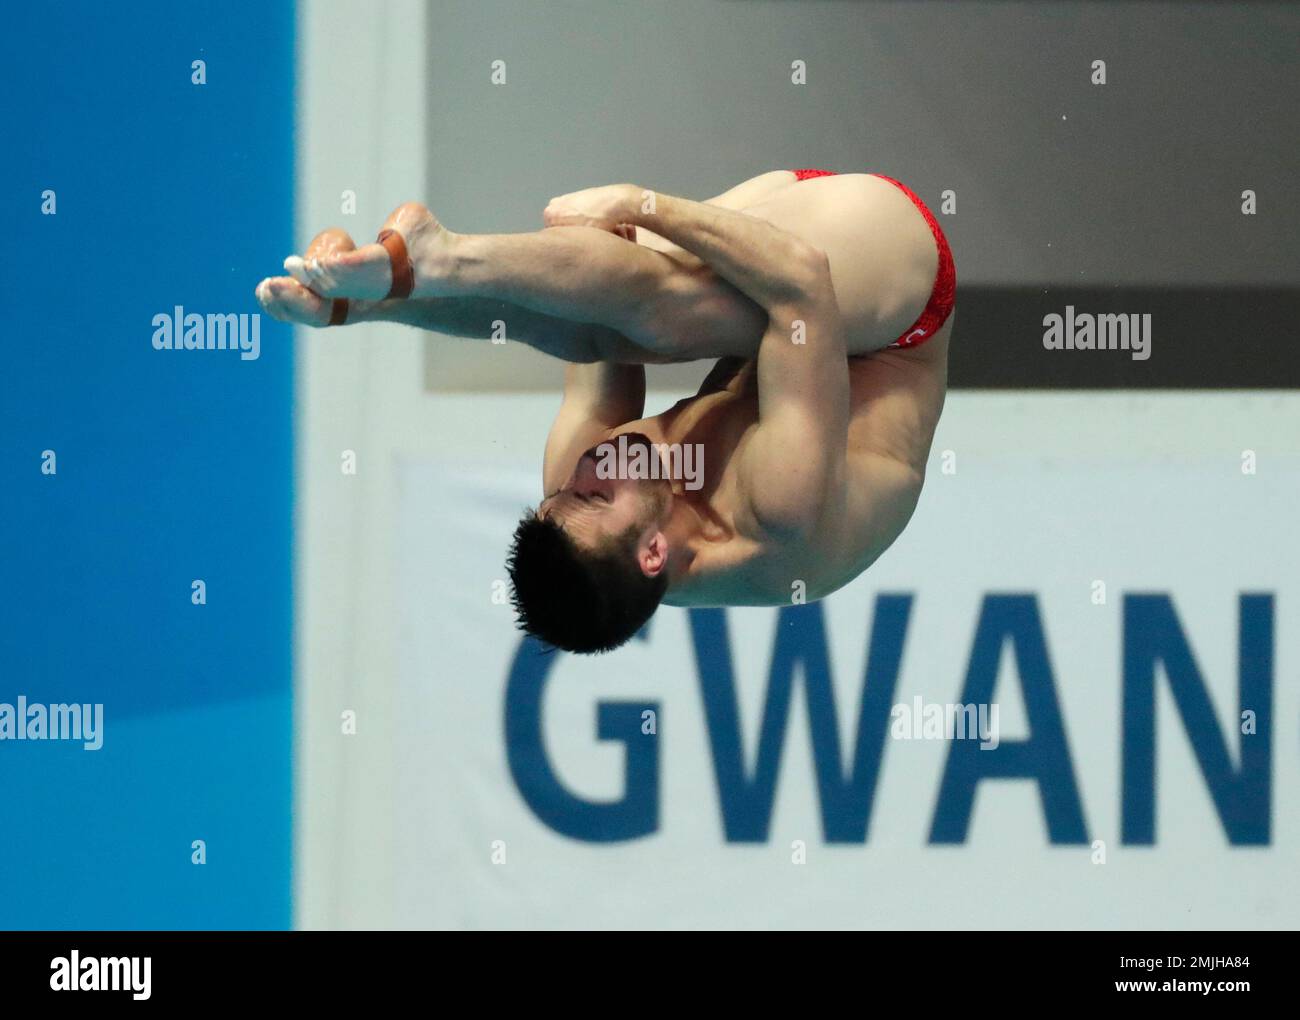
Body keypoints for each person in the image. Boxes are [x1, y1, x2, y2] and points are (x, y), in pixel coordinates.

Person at [256, 169, 955, 653]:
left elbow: (574, 324)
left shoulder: (580, 506)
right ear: (655, 552)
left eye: (561, 491)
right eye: (592, 491)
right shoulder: (776, 514)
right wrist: (643, 204)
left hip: (790, 261)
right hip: (895, 289)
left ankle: (369, 301)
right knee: (666, 319)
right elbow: (802, 283)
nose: (587, 468)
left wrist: (368, 299)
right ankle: (437, 262)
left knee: (598, 329)